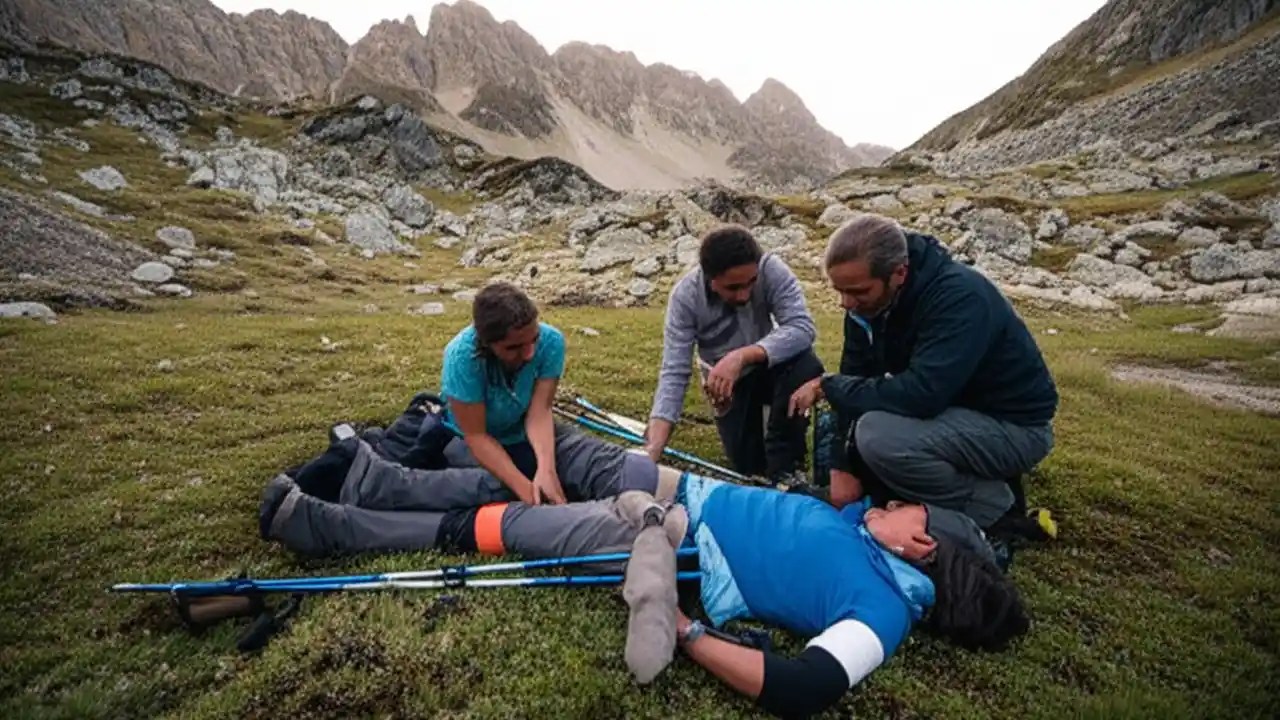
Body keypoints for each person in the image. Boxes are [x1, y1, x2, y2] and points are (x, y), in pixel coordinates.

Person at [259, 432, 1029, 719]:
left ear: (921, 547)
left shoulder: (882, 611)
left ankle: (323, 525)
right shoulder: (865, 530)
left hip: (666, 539)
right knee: (548, 457)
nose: (894, 504)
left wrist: (689, 633)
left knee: (505, 524)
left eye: (909, 511)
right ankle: (387, 466)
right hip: (675, 486)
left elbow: (804, 689)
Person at [789, 214, 1059, 529]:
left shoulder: (959, 297)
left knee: (879, 435)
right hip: (954, 412)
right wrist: (842, 466)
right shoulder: (870, 307)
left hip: (1015, 428)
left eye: (858, 291)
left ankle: (992, 507)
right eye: (840, 290)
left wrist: (829, 385)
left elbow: (923, 394)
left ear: (899, 273)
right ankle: (914, 491)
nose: (846, 303)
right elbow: (855, 379)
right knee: (855, 418)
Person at [644, 224, 824, 486]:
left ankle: (787, 466)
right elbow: (675, 371)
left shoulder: (770, 269)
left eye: (751, 283)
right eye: (733, 287)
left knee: (805, 364)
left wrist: (741, 356)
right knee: (748, 466)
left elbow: (802, 328)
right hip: (726, 385)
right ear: (710, 279)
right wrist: (654, 447)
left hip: (768, 364)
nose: (744, 294)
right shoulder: (685, 298)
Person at [440, 281, 569, 507]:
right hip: (468, 440)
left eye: (534, 340)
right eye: (513, 347)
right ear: (487, 344)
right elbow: (476, 436)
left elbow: (540, 411)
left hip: (520, 431)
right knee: (492, 489)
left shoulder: (552, 342)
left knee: (564, 466)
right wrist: (526, 490)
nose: (529, 354)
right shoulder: (461, 358)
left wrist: (547, 470)